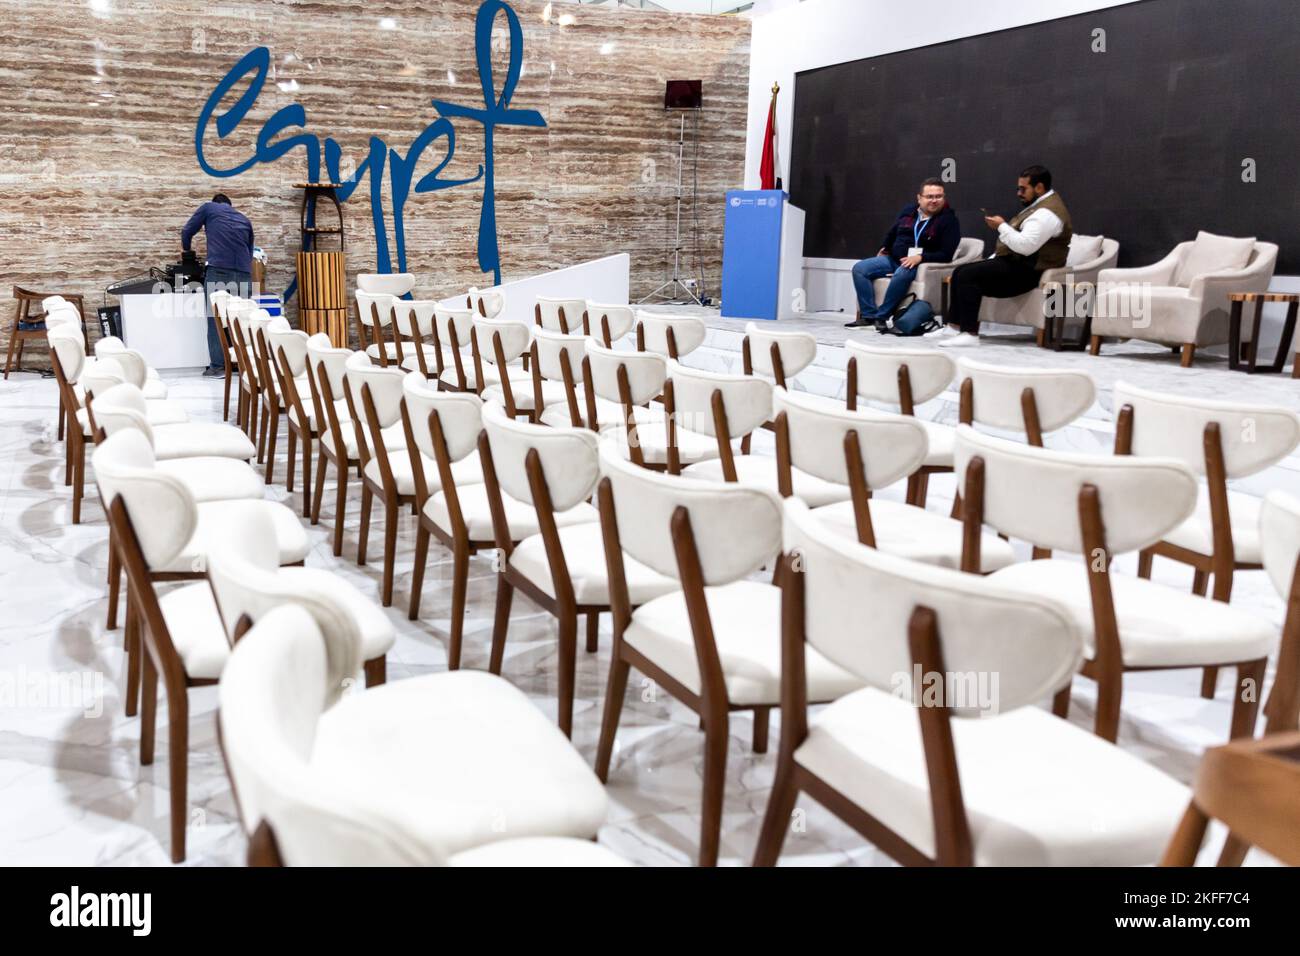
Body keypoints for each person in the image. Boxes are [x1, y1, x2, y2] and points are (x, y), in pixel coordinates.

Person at [930, 164, 1072, 348]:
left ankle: (970, 334)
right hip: (1018, 264)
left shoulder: (1047, 213)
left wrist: (1001, 227)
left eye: (1023, 189)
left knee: (967, 275)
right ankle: (954, 326)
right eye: (1018, 188)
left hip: (1029, 272)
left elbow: (1025, 246)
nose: (1019, 193)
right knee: (960, 272)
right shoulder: (1038, 206)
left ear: (1039, 188)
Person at [846, 178, 960, 329]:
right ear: (919, 198)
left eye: (938, 196)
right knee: (860, 269)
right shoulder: (909, 211)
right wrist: (885, 247)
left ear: (944, 197)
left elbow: (946, 254)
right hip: (894, 259)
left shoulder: (949, 221)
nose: (934, 201)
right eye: (929, 197)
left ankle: (882, 316)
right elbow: (893, 232)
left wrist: (921, 257)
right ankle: (869, 316)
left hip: (918, 264)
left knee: (903, 272)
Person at [182, 193, 255, 376]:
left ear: (216, 203)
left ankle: (218, 367)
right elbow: (250, 250)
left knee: (215, 319)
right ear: (230, 205)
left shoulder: (208, 207)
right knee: (241, 320)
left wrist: (187, 250)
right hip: (245, 274)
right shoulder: (244, 219)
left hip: (220, 271)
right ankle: (242, 364)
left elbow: (187, 231)